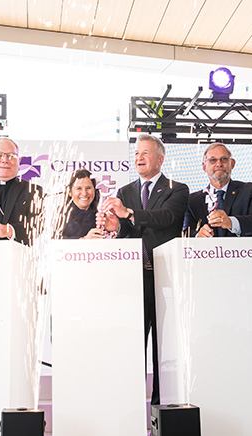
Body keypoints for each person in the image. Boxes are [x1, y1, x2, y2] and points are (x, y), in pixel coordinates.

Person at [98, 134, 189, 405]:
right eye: (136, 153)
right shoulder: (125, 192)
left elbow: (167, 219)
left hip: (164, 278)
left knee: (164, 347)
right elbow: (126, 230)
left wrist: (129, 215)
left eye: (145, 153)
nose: (138, 157)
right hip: (133, 280)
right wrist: (116, 226)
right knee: (133, 344)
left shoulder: (177, 189)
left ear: (160, 159)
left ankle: (161, 406)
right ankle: (130, 405)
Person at [183, 142, 252, 238]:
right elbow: (186, 233)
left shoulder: (250, 190)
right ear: (204, 166)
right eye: (213, 160)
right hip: (207, 252)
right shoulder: (192, 201)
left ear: (232, 164)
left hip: (242, 252)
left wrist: (231, 222)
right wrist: (198, 235)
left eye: (224, 159)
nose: (219, 164)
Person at [59, 169, 105, 239]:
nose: (84, 193)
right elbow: (52, 241)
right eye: (79, 188)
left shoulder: (98, 216)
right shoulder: (59, 215)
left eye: (88, 188)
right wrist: (84, 239)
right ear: (70, 192)